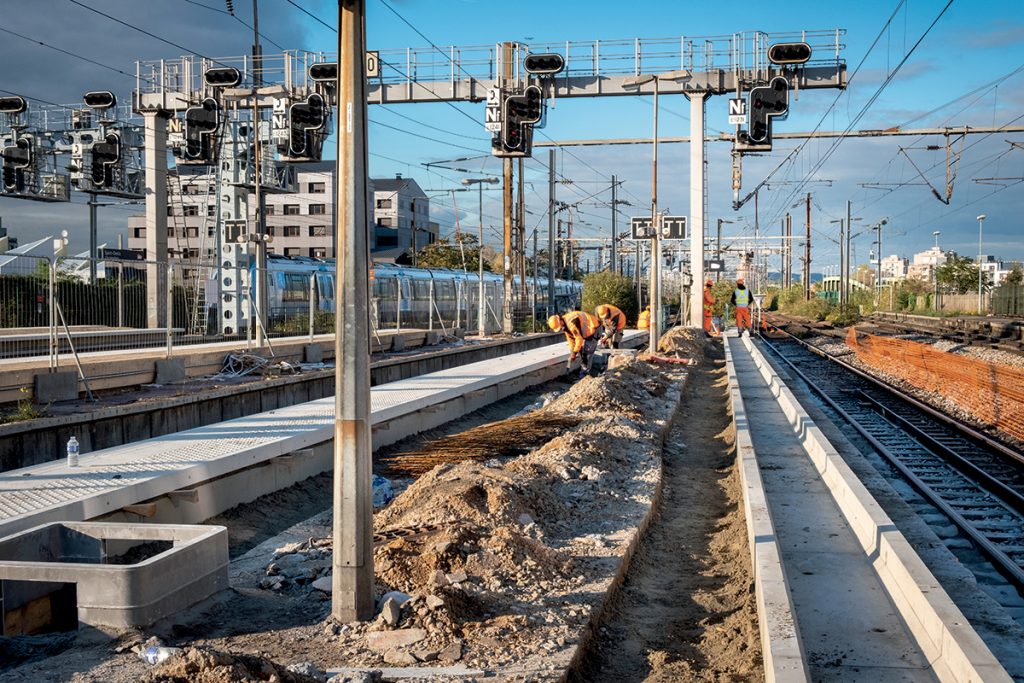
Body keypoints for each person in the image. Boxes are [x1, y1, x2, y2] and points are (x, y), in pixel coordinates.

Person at [547, 311, 600, 378]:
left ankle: (585, 375)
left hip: (594, 328)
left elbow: (579, 339)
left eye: (560, 327)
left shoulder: (571, 323)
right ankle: (584, 370)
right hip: (587, 331)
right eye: (560, 328)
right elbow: (570, 339)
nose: (561, 329)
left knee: (588, 351)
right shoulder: (565, 324)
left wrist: (574, 352)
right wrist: (572, 351)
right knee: (580, 351)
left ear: (560, 320)